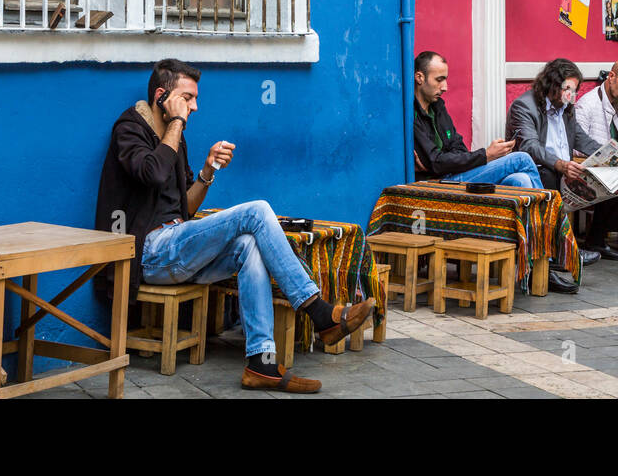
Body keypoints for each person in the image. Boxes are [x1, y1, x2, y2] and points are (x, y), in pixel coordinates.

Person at [94, 59, 374, 393]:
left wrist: (208, 171)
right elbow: (152, 173)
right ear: (161, 96)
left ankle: (261, 362)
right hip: (148, 254)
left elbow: (185, 207)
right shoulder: (129, 129)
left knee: (249, 245)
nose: (194, 107)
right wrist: (177, 123)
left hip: (176, 248)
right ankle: (320, 313)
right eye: (187, 98)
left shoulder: (175, 136)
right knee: (256, 211)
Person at [506, 58, 606, 289]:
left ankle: (572, 250)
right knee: (550, 178)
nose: (571, 95)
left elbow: (581, 138)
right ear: (551, 85)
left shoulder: (566, 109)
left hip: (563, 168)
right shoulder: (525, 106)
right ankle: (551, 262)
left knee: (603, 180)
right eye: (566, 89)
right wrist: (560, 164)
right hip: (537, 170)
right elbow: (529, 146)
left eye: (574, 90)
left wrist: (610, 154)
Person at [413, 51, 543, 188]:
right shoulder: (411, 114)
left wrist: (442, 162)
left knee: (521, 179)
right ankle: (550, 209)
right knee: (522, 159)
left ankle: (532, 209)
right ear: (419, 77)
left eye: (445, 79)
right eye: (439, 80)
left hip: (455, 173)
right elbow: (435, 161)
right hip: (438, 182)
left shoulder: (438, 107)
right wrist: (487, 155)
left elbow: (458, 149)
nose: (445, 87)